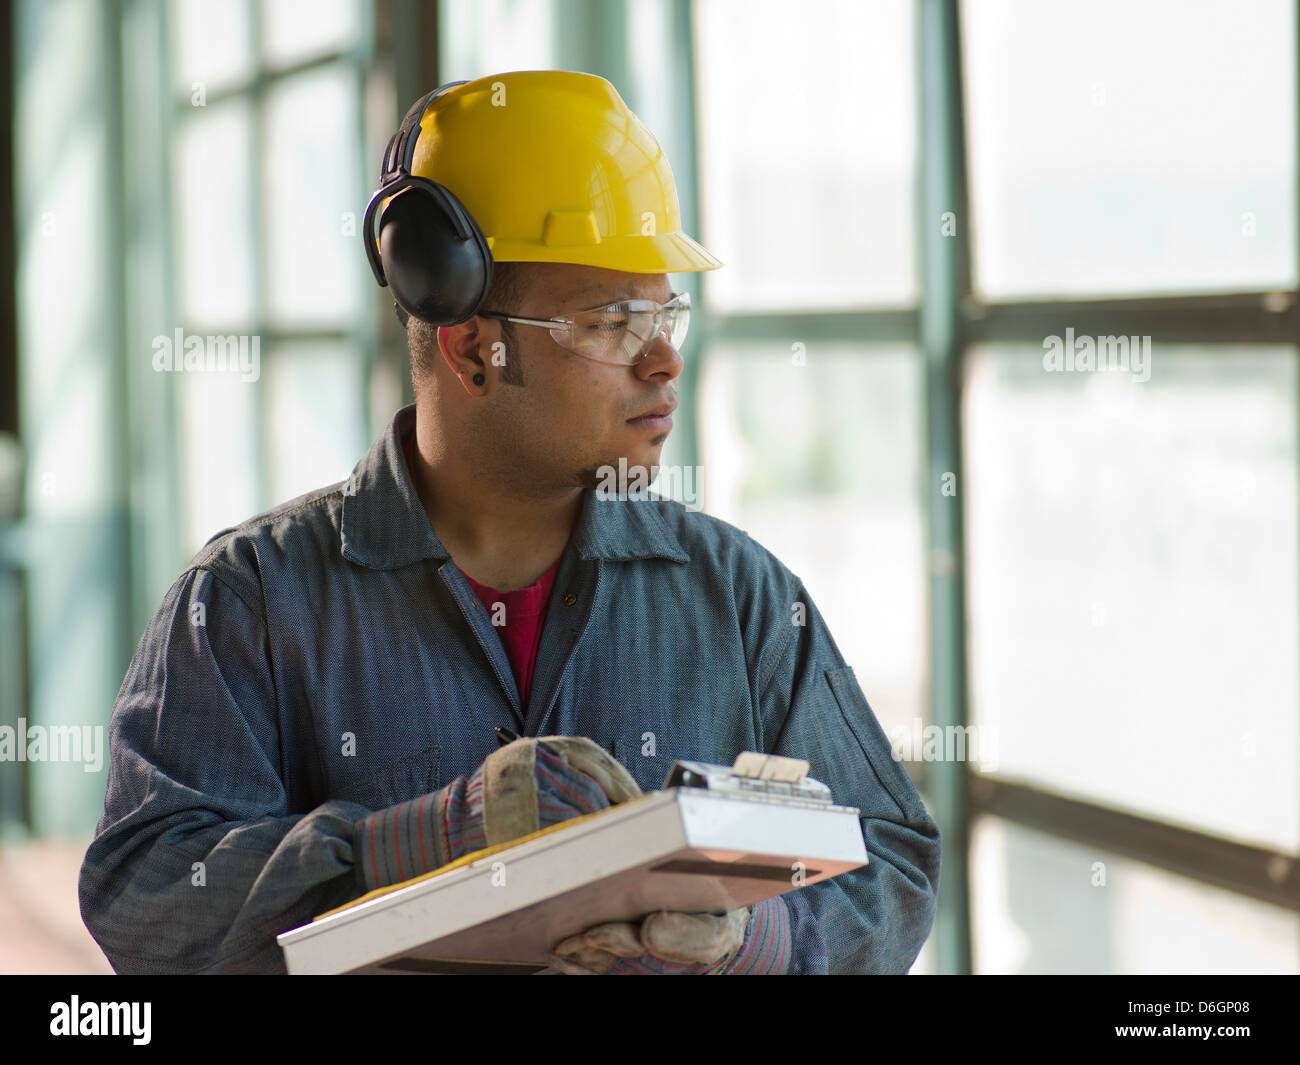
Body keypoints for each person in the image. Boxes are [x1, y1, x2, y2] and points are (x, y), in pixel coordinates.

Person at [79, 70, 940, 975]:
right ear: (471, 347)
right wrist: (421, 840)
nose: (664, 359)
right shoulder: (251, 604)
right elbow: (149, 898)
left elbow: (893, 862)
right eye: (613, 320)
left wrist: (750, 942)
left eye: (666, 313)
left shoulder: (738, 597)